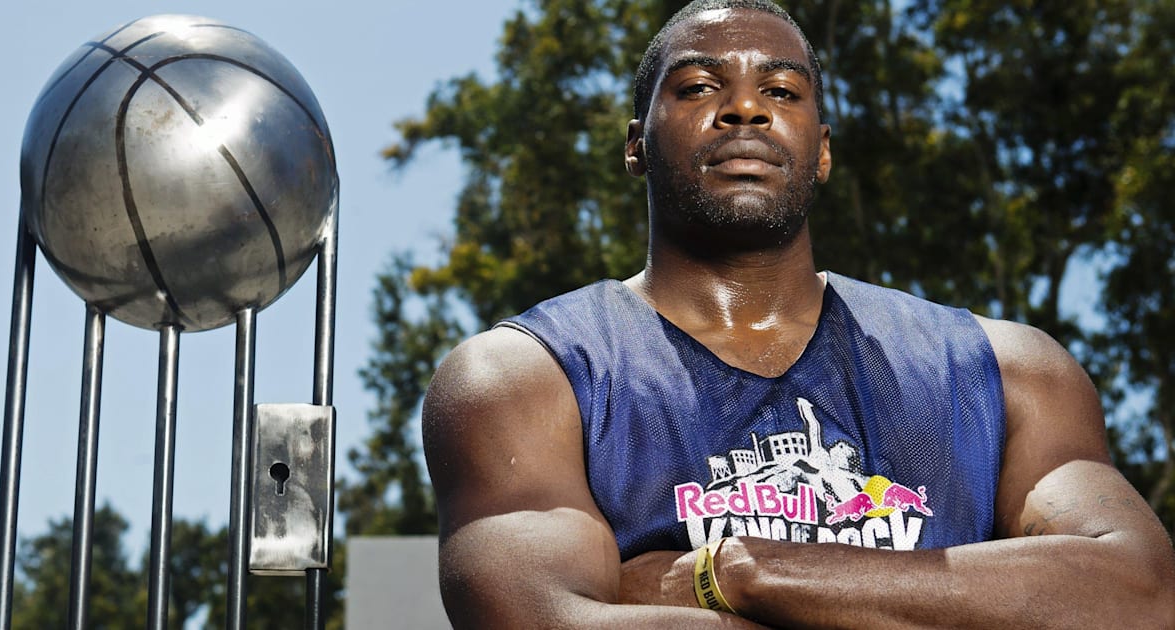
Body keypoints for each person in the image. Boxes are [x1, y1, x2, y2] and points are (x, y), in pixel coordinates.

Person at [421, 0, 1175, 627]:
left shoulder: (1006, 373)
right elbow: (540, 620)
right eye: (695, 87)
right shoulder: (522, 379)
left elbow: (1139, 593)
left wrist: (741, 572)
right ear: (635, 146)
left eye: (782, 91)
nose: (744, 106)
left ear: (820, 151)